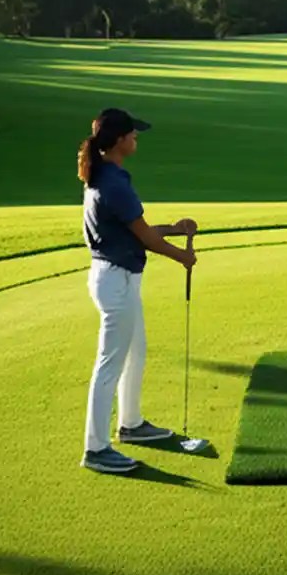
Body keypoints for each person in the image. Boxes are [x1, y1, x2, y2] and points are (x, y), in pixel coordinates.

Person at [77, 108, 199, 474]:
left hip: (117, 277)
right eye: (132, 134)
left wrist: (174, 229)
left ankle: (130, 424)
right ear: (118, 141)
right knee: (109, 364)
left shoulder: (107, 176)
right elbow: (144, 237)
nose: (136, 138)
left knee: (136, 350)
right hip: (116, 281)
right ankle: (96, 448)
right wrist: (182, 257)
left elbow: (137, 229)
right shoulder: (113, 182)